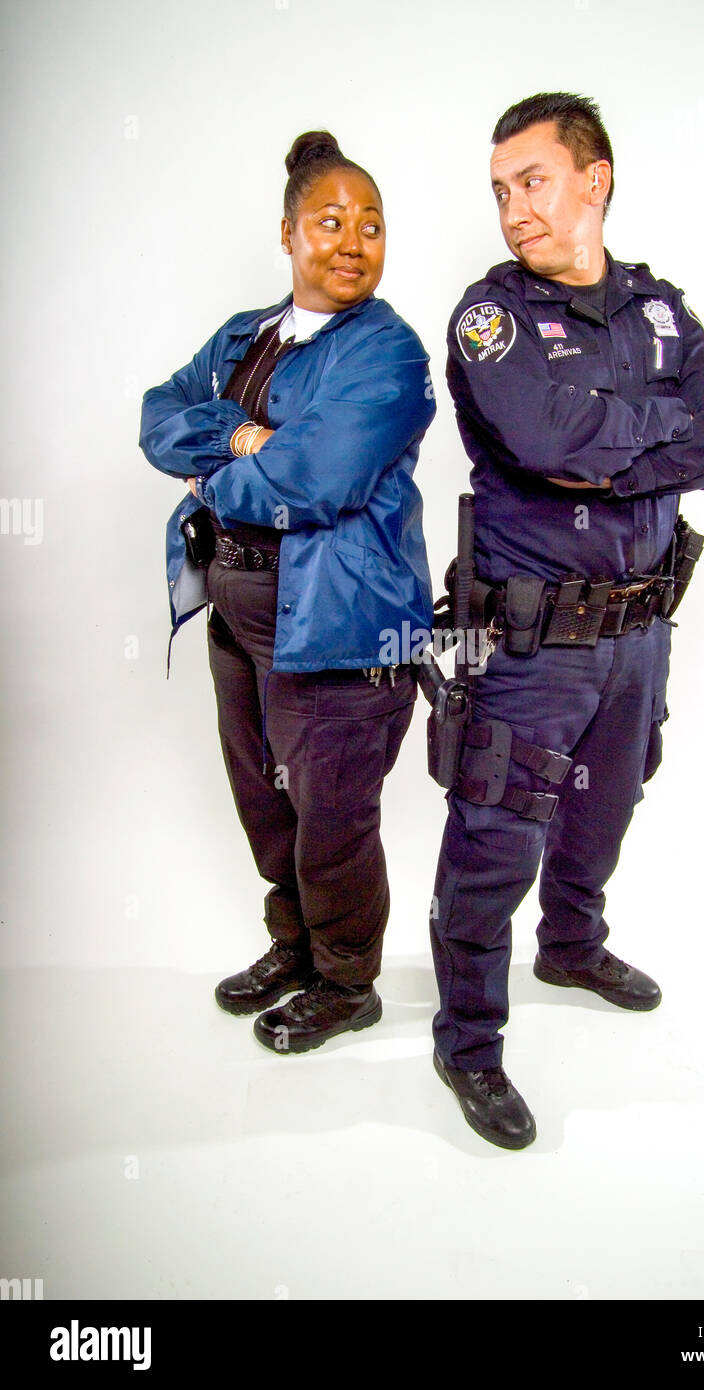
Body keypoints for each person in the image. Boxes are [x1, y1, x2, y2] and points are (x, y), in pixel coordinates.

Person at [429, 92, 704, 1148]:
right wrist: (652, 426)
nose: (511, 208)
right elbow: (544, 438)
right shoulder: (493, 317)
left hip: (640, 633)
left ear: (592, 177)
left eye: (529, 180)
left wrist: (611, 437)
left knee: (608, 802)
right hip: (531, 644)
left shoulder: (657, 309)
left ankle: (570, 942)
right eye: (498, 190)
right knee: (492, 837)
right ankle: (466, 1040)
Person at [139, 131, 435, 1054]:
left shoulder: (386, 352)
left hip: (337, 632)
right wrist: (237, 439)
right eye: (331, 221)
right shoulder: (245, 334)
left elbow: (318, 481)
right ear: (287, 232)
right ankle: (295, 947)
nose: (353, 242)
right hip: (238, 621)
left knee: (333, 820)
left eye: (373, 225)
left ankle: (349, 982)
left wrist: (209, 471)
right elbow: (158, 416)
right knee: (266, 801)